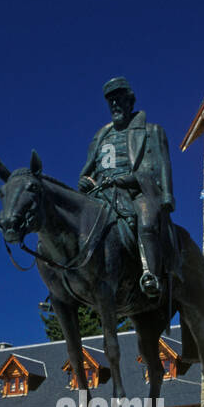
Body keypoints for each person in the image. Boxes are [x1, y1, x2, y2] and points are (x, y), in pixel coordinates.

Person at [78, 76, 179, 299]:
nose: (115, 105)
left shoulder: (151, 130)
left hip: (137, 189)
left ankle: (150, 273)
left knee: (145, 221)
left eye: (119, 99)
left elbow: (163, 163)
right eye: (110, 101)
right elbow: (90, 169)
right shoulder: (100, 137)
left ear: (130, 101)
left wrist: (167, 195)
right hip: (102, 194)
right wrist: (84, 181)